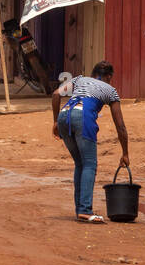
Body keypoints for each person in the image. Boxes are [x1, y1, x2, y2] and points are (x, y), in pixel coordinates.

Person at [51, 61, 129, 223]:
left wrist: (56, 123)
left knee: (80, 164)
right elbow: (120, 125)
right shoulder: (110, 90)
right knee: (89, 164)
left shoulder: (79, 79)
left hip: (65, 115)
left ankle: (80, 209)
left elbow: (56, 95)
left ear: (93, 74)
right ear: (108, 77)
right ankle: (85, 210)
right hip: (83, 117)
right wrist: (125, 153)